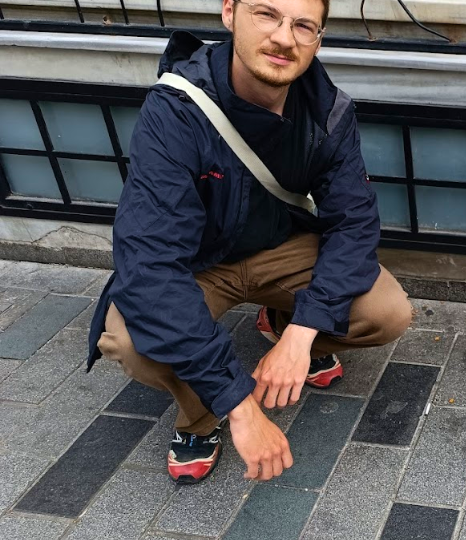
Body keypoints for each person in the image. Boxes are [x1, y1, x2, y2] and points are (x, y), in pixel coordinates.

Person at [86, 0, 412, 485]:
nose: (284, 37)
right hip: (199, 262)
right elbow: (151, 264)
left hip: (280, 246)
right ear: (229, 13)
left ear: (318, 37)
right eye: (267, 14)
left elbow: (354, 222)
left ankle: (282, 323)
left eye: (303, 24)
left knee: (387, 312)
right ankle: (200, 416)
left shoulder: (328, 110)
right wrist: (240, 406)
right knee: (132, 343)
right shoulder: (176, 109)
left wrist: (302, 333)